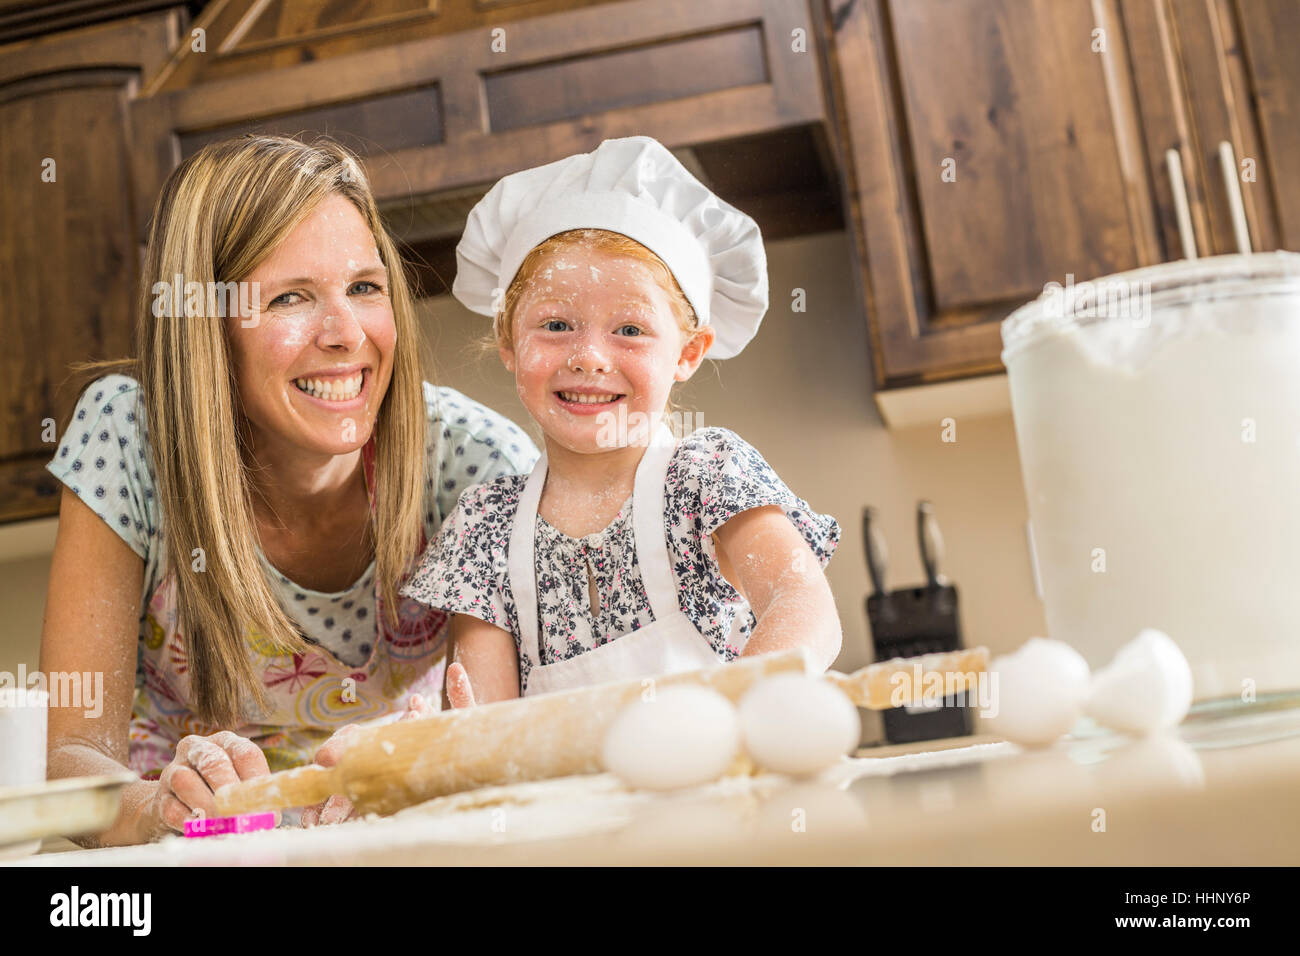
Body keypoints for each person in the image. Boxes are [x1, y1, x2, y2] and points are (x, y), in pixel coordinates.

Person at [39, 135, 538, 845]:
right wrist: (159, 810)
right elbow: (70, 756)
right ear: (204, 328)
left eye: (365, 287)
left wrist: (449, 771)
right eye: (291, 298)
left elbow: (513, 738)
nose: (345, 334)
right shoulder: (125, 439)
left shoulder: (475, 465)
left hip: (396, 840)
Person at [401, 135, 842, 705]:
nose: (588, 356)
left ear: (687, 352)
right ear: (508, 343)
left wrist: (730, 714)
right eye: (556, 325)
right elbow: (488, 723)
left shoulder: (706, 476)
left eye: (629, 330)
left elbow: (804, 607)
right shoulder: (485, 527)